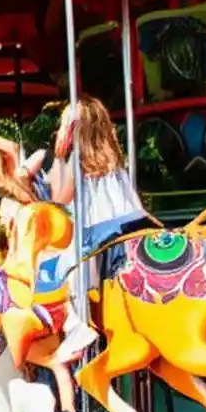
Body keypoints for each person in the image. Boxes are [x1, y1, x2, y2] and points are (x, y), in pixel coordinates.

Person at [49, 95, 152, 352]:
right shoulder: (113, 157)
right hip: (128, 224)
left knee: (57, 263)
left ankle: (75, 324)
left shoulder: (77, 160)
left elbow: (61, 200)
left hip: (98, 230)